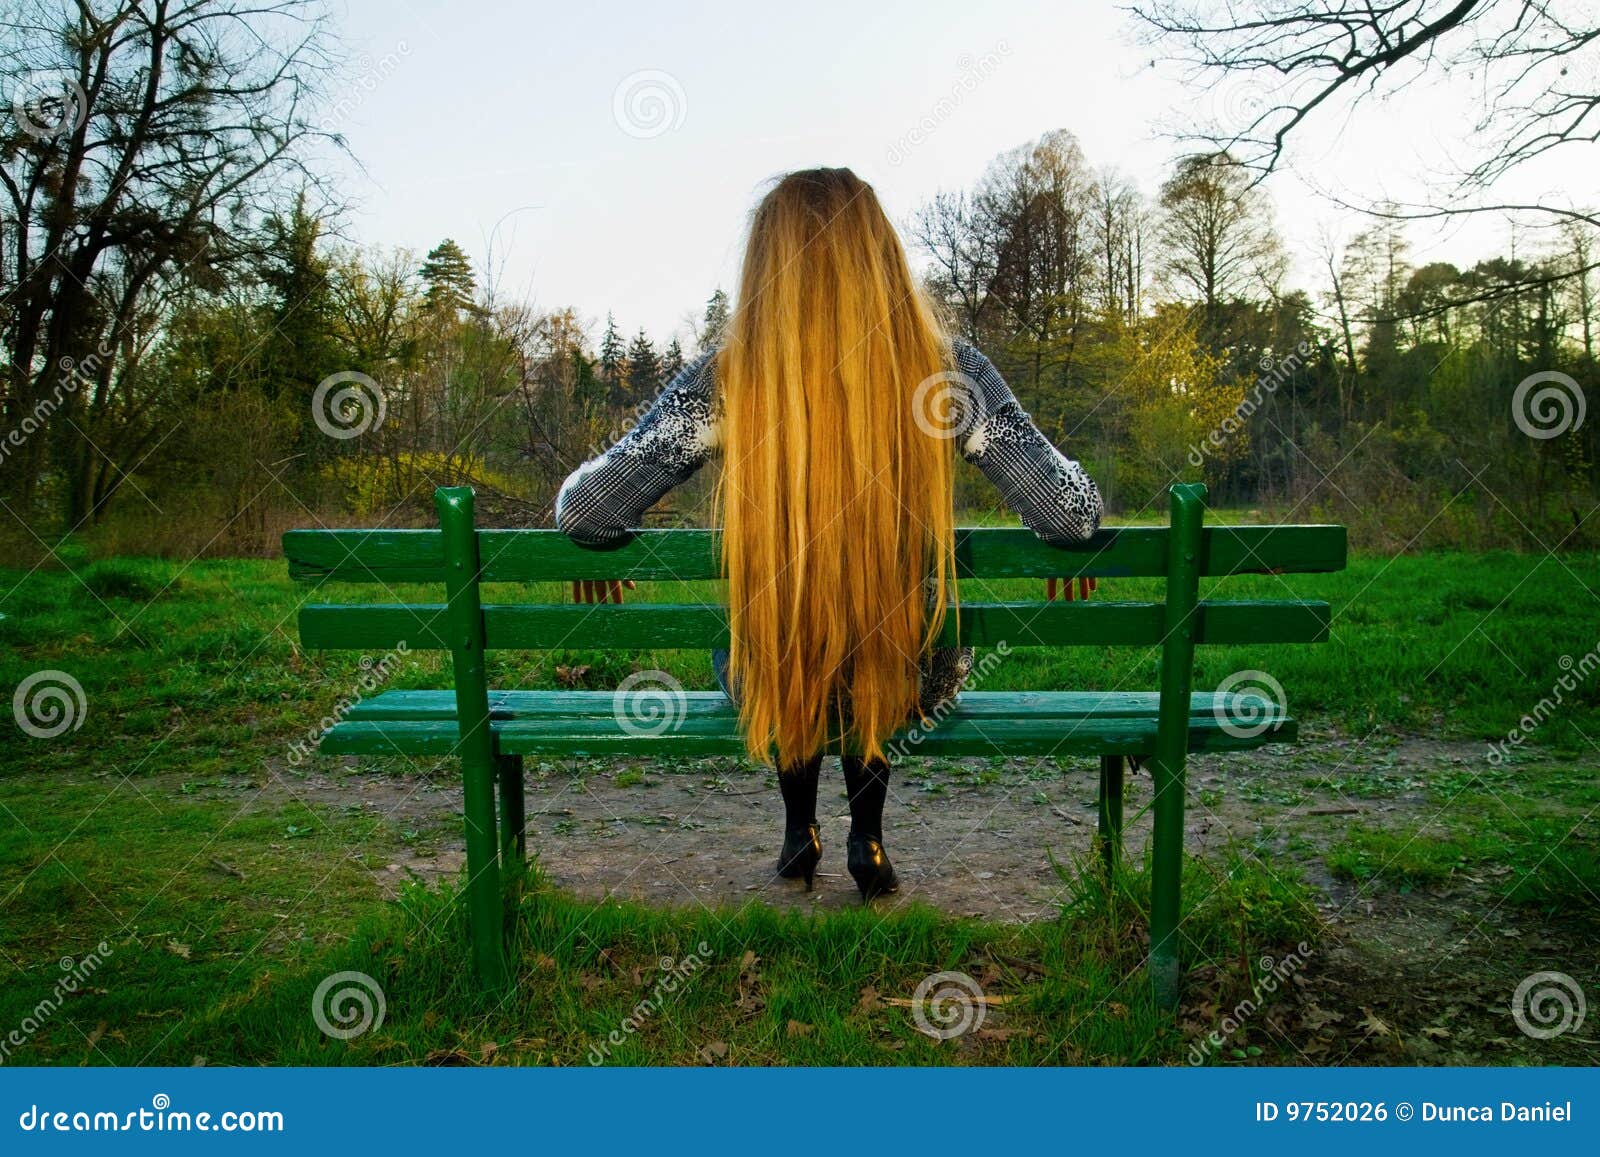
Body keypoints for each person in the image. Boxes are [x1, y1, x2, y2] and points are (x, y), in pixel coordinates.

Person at [555, 167, 1102, 901]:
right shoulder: (946, 374)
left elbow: (587, 511)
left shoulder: (725, 382)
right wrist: (1065, 531)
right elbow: (1070, 510)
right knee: (879, 629)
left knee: (778, 628)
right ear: (881, 258)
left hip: (770, 667)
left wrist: (589, 513)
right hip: (912, 675)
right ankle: (866, 835)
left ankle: (797, 830)